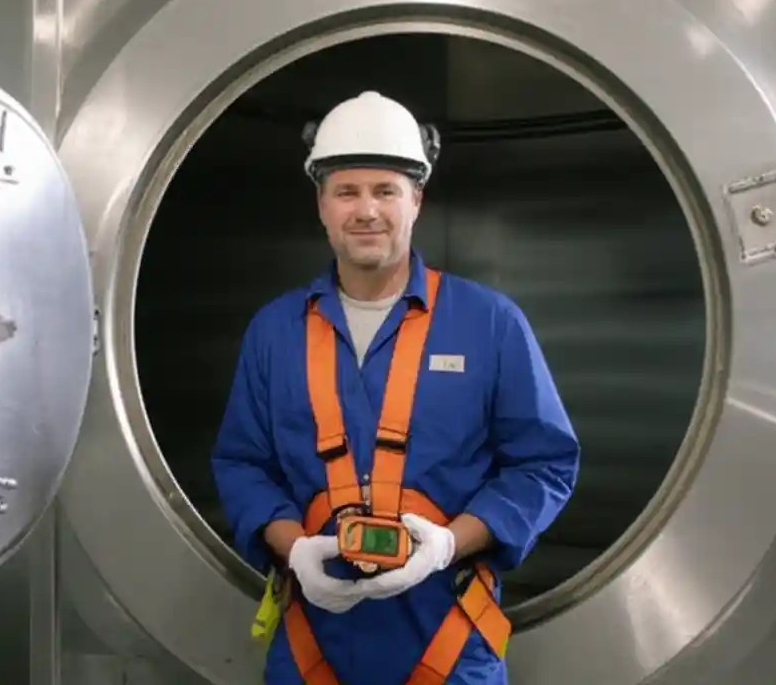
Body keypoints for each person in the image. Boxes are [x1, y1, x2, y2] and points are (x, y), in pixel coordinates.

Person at [210, 90, 581, 685]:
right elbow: (241, 464)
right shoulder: (274, 332)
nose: (366, 211)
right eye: (346, 191)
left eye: (385, 190)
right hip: (311, 649)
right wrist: (295, 551)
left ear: (417, 200)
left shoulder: (490, 323)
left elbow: (543, 465)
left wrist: (446, 545)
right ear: (321, 204)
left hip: (449, 644)